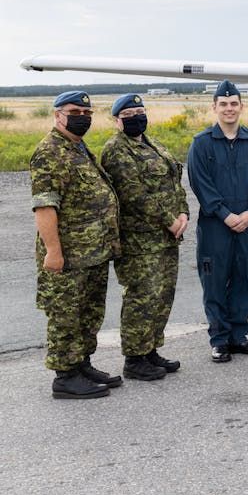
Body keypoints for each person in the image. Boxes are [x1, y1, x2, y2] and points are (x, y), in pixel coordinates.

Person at [31, 91, 122, 399]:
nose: (82, 115)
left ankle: (82, 364)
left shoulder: (77, 147)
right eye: (75, 110)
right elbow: (45, 208)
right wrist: (54, 251)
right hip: (68, 254)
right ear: (58, 115)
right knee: (66, 314)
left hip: (92, 252)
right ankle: (65, 376)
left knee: (88, 312)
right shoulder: (49, 152)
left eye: (87, 110)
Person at [101, 93, 189, 381]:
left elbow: (174, 181)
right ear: (117, 121)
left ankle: (151, 349)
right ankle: (135, 359)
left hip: (166, 237)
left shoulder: (153, 143)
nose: (136, 117)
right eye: (128, 115)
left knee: (162, 295)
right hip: (140, 241)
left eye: (140, 111)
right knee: (141, 297)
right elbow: (134, 194)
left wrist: (184, 213)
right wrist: (169, 219)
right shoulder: (116, 150)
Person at [187, 80, 248, 362]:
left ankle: (239, 335)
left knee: (243, 277)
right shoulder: (201, 144)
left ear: (241, 107)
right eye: (223, 104)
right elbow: (201, 185)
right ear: (214, 107)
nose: (229, 109)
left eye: (233, 103)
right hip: (216, 226)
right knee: (214, 281)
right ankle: (220, 339)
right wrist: (226, 215)